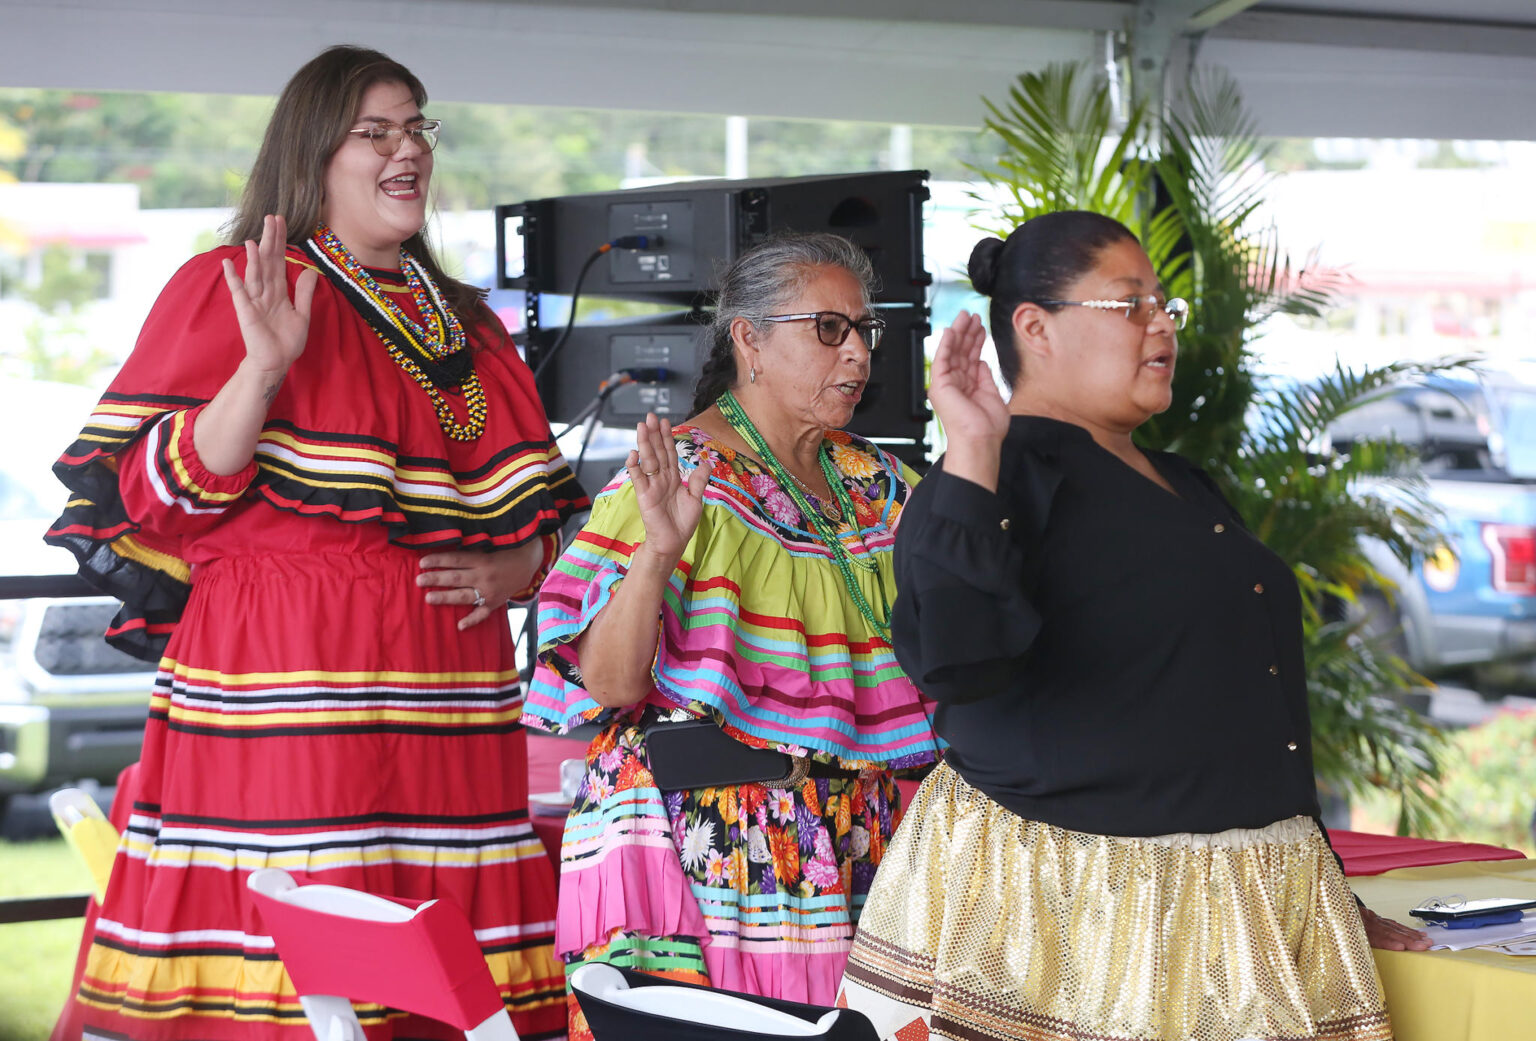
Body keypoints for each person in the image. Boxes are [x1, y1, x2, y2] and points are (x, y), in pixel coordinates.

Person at [44, 45, 585, 1041]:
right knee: (308, 977)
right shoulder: (235, 284)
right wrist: (262, 371)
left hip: (452, 702)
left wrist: (523, 567)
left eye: (416, 126)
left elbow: (551, 520)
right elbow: (156, 497)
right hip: (288, 684)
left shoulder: (468, 322)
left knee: (444, 994)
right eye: (373, 131)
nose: (406, 150)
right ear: (312, 152)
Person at [837, 211, 1430, 1041]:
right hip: (1084, 915)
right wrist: (972, 449)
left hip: (1247, 902)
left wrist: (1314, 885)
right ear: (1035, 327)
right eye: (1130, 305)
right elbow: (953, 663)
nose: (1162, 324)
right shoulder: (989, 478)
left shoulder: (1185, 482)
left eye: (1164, 306)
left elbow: (1247, 701)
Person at [521, 233, 943, 1040]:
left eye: (863, 331)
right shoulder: (679, 474)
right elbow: (610, 686)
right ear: (748, 338)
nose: (856, 353)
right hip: (706, 842)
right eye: (828, 328)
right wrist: (659, 549)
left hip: (855, 837)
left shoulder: (881, 483)